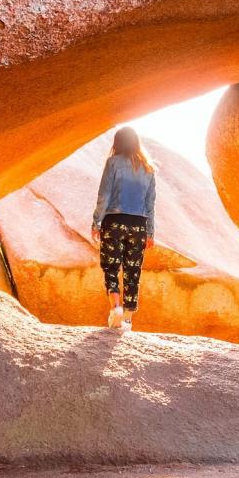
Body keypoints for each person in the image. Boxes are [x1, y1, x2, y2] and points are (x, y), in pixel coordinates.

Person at [91, 127, 156, 331]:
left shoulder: (113, 163)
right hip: (138, 225)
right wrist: (150, 233)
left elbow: (104, 195)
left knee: (110, 266)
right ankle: (127, 318)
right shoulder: (148, 168)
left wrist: (96, 222)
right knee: (132, 270)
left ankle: (116, 308)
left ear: (117, 142)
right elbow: (150, 204)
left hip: (114, 221)